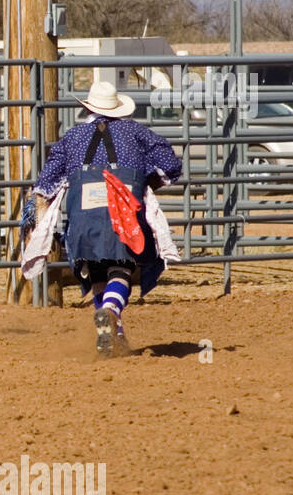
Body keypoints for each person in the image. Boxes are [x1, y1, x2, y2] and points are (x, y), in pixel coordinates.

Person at [21, 81, 183, 357]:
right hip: (123, 210)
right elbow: (171, 165)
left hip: (82, 214)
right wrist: (146, 183)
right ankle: (110, 311)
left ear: (88, 108)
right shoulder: (136, 132)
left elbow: (45, 184)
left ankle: (113, 333)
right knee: (121, 268)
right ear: (118, 109)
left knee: (97, 270)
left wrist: (35, 214)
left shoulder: (71, 138)